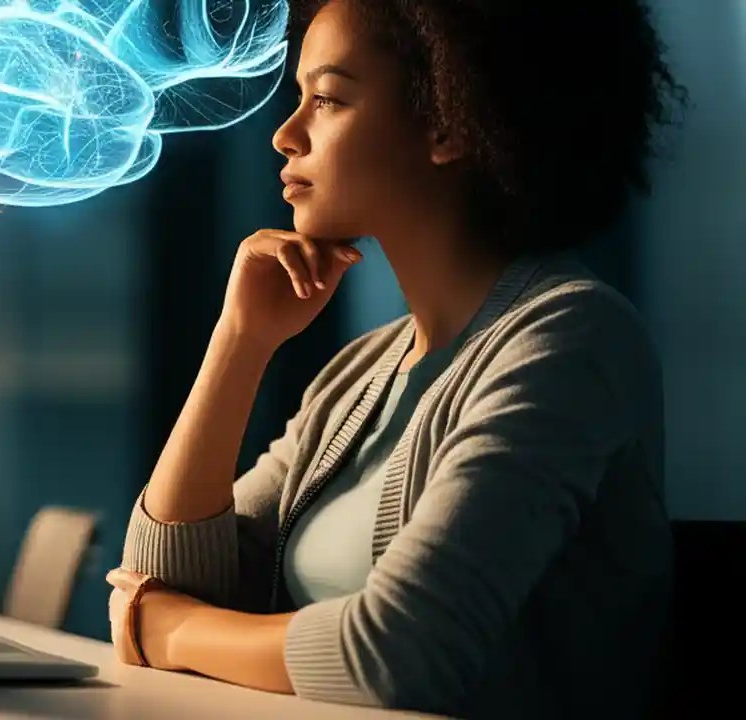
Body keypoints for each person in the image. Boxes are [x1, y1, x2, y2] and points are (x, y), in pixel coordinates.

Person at [105, 0, 688, 717]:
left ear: (447, 118)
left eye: (326, 98)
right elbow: (157, 582)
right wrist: (240, 342)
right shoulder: (363, 373)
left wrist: (176, 629)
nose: (287, 136)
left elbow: (399, 655)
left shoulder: (572, 339)